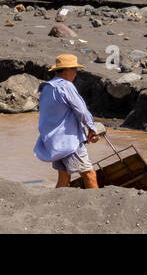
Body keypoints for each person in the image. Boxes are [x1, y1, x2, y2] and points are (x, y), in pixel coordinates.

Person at [34, 53, 101, 189]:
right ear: (66, 70)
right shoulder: (65, 86)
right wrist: (92, 128)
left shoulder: (46, 87)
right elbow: (81, 110)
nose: (76, 73)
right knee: (89, 175)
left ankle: (52, 205)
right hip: (69, 142)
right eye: (74, 69)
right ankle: (97, 206)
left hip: (53, 142)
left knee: (64, 177)